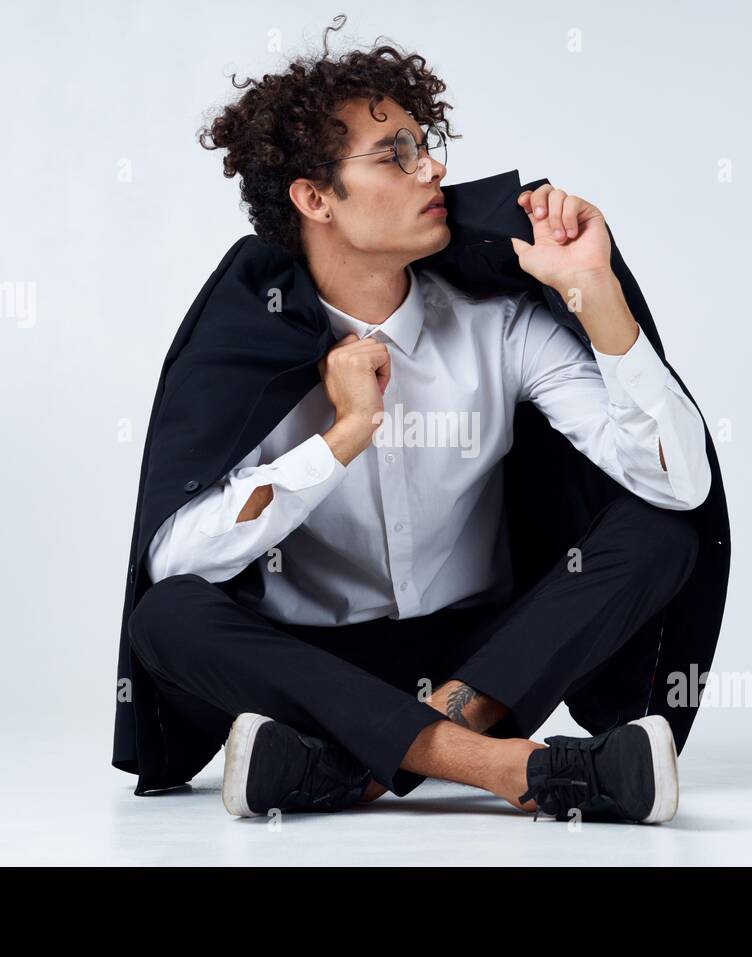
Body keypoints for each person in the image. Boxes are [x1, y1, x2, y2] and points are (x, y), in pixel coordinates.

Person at [126, 22, 713, 824]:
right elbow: (173, 556)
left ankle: (344, 769)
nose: (432, 167)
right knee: (168, 619)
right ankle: (518, 770)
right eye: (393, 154)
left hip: (483, 659)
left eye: (424, 144)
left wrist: (594, 293)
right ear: (314, 197)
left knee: (659, 530)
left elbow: (680, 483)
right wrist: (339, 439)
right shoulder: (248, 340)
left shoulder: (498, 326)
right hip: (312, 662)